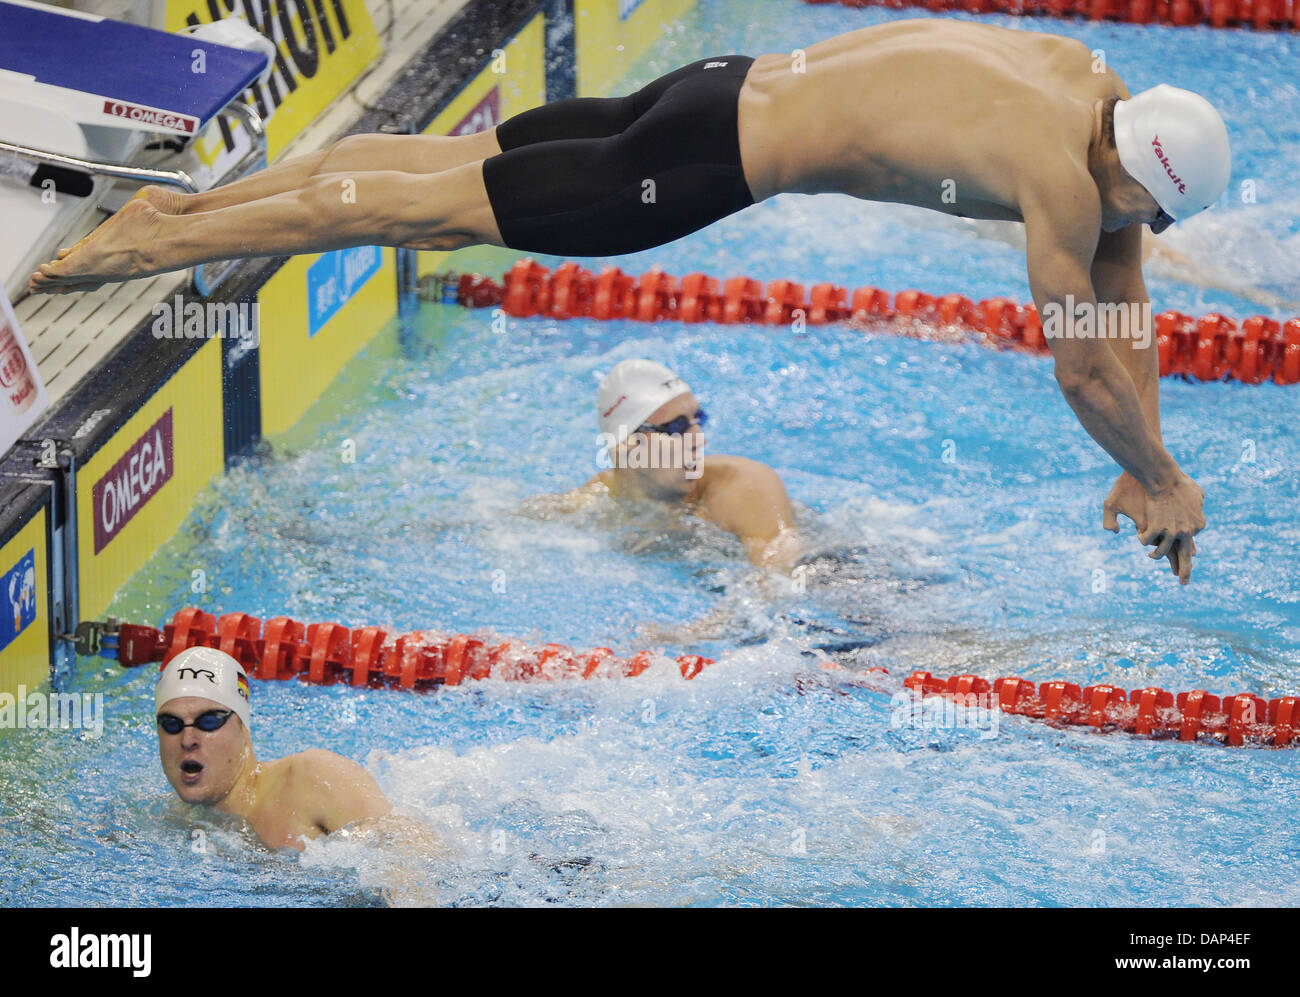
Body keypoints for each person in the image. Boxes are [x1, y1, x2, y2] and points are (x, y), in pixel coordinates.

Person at [29, 19, 1228, 583]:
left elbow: (1124, 295)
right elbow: (1079, 356)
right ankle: (156, 239)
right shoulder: (1064, 193)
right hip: (700, 168)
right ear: (1129, 174)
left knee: (444, 171)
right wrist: (1162, 476)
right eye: (1150, 212)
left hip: (712, 90)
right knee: (423, 214)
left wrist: (1151, 458)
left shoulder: (1091, 86)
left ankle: (189, 212)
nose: (1140, 237)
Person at [154, 645, 435, 856]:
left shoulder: (310, 776)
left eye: (209, 721)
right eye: (171, 723)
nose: (188, 738)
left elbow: (410, 843)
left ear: (242, 728)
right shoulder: (174, 821)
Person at [535, 358, 800, 569]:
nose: (699, 440)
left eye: (699, 420)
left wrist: (686, 636)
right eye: (677, 426)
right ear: (630, 446)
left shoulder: (744, 486)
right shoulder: (594, 503)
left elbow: (779, 583)